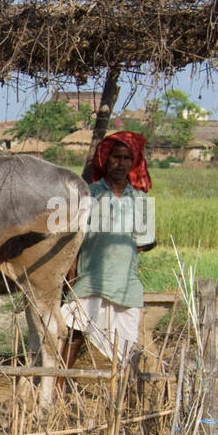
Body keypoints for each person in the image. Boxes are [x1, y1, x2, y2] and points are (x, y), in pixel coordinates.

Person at [62, 130, 157, 365]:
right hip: (90, 279)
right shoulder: (89, 195)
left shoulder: (140, 200)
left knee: (125, 345)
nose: (121, 163)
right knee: (74, 335)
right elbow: (73, 240)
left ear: (133, 162)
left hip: (125, 284)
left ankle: (121, 394)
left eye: (126, 158)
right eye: (116, 157)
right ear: (106, 160)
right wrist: (72, 274)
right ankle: (57, 387)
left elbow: (141, 245)